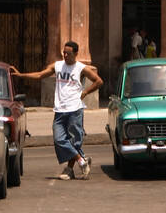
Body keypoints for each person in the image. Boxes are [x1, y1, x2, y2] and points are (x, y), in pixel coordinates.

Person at [12, 41, 103, 180]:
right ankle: (82, 160)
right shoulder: (58, 66)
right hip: (60, 109)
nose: (65, 55)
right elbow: (40, 75)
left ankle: (70, 169)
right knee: (59, 139)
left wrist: (85, 92)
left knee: (74, 141)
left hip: (75, 109)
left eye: (68, 53)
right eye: (64, 53)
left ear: (76, 54)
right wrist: (21, 75)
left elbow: (98, 81)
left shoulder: (81, 68)